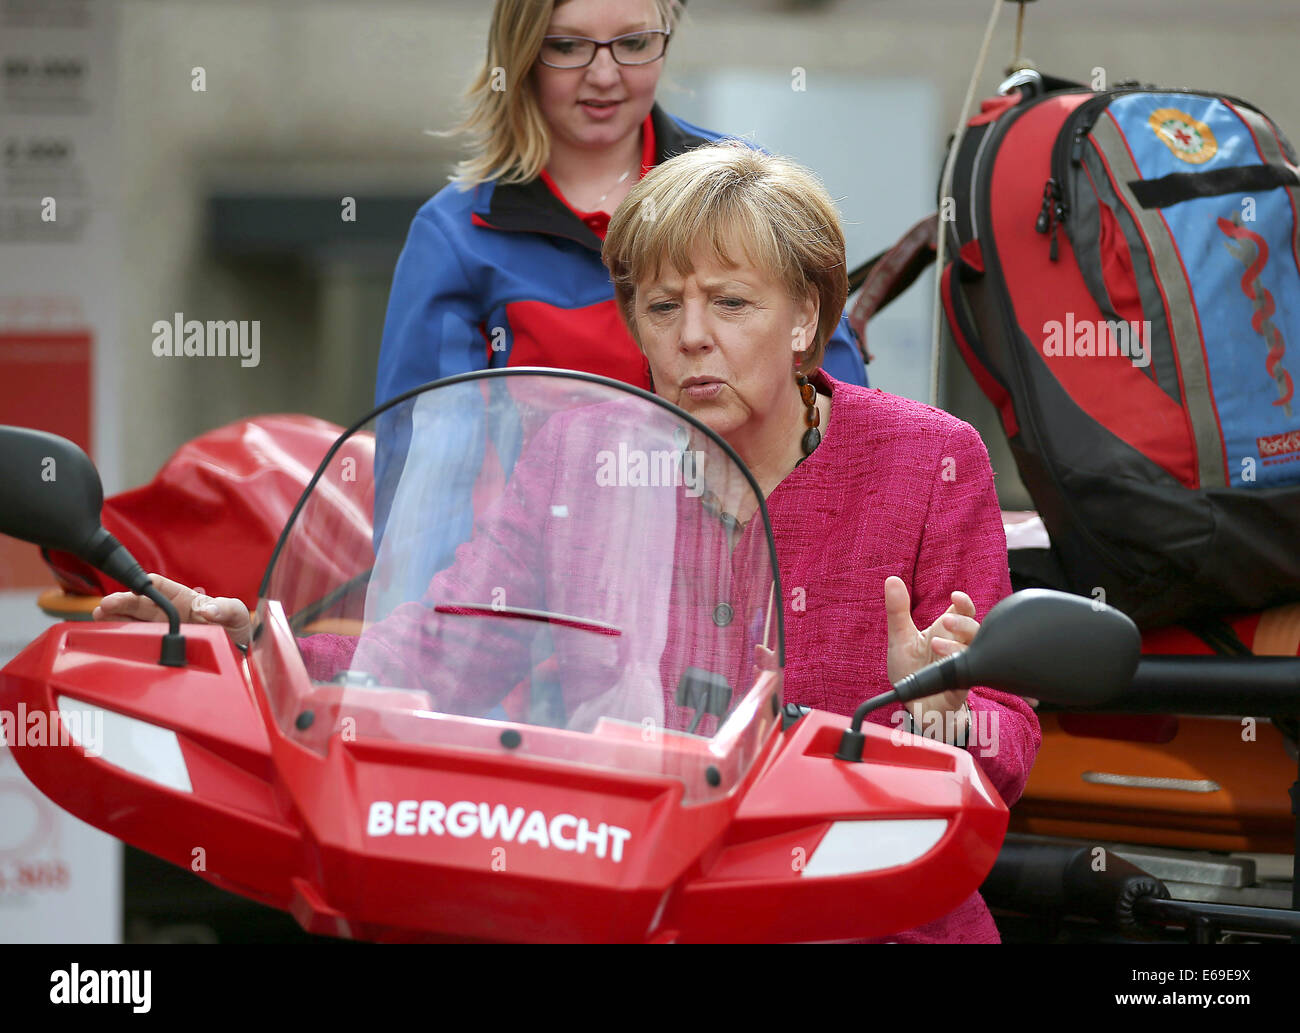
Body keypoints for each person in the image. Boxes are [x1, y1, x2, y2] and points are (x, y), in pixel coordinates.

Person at [97, 143, 1039, 943]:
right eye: (662, 308)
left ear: (806, 320)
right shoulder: (580, 455)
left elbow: (1007, 738)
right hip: (631, 913)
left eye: (732, 304)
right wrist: (252, 645)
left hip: (862, 923)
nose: (692, 338)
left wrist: (939, 710)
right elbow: (438, 650)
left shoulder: (930, 459)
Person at [371, 0, 869, 564]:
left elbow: (838, 408)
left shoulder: (743, 189)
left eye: (633, 44)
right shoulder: (456, 234)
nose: (604, 75)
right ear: (522, 50)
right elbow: (424, 488)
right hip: (548, 600)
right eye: (568, 46)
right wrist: (436, 637)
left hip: (756, 577)